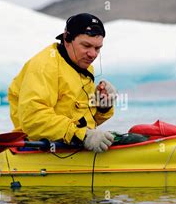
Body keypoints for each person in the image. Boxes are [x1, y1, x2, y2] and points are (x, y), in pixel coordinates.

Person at [8, 13, 116, 153]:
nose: (93, 54)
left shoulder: (84, 66)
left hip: (70, 146)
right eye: (86, 46)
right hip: (35, 149)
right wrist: (83, 135)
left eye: (97, 48)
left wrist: (103, 107)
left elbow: (86, 121)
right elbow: (33, 119)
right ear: (67, 39)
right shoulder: (44, 66)